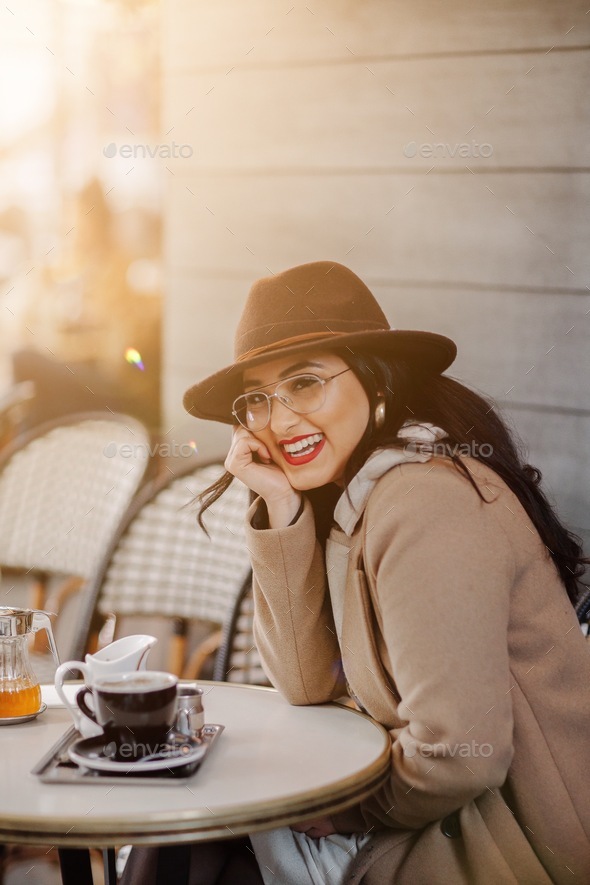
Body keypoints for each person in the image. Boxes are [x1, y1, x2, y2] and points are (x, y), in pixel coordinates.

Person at [123, 261, 590, 884]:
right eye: (258, 399)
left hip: (498, 841)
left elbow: (459, 757)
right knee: (185, 834)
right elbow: (308, 684)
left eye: (305, 383)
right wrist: (281, 509)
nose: (280, 421)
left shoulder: (423, 501)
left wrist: (343, 809)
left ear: (377, 382)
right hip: (436, 814)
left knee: (191, 844)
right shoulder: (355, 504)